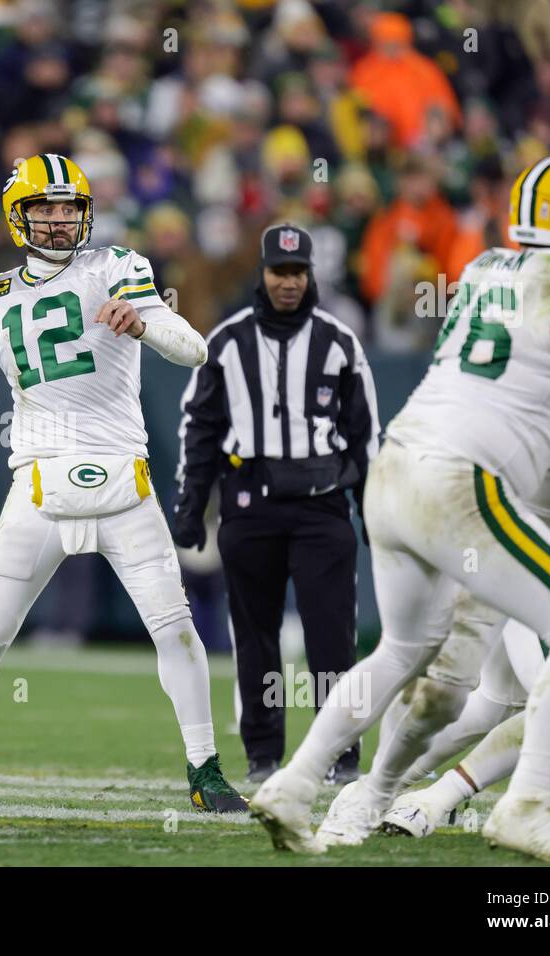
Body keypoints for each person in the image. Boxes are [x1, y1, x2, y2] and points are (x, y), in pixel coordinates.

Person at [250, 155, 550, 862]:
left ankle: (296, 781)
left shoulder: (484, 271)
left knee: (410, 656)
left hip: (448, 481)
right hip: (486, 502)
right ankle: (506, 801)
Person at [0, 153, 246, 812]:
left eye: (69, 206)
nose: (58, 218)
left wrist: (148, 324)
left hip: (124, 485)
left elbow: (193, 348)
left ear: (86, 212)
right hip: (39, 488)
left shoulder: (118, 269)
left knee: (176, 629)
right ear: (19, 217)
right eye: (44, 207)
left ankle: (205, 769)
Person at [174, 223, 379, 786]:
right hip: (249, 504)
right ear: (262, 274)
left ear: (311, 274)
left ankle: (340, 755)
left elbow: (365, 437)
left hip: (321, 509)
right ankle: (264, 756)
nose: (288, 283)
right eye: (278, 271)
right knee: (255, 636)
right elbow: (201, 428)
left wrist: (373, 513)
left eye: (297, 272)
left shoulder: (339, 342)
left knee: (331, 637)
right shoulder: (228, 340)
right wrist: (192, 507)